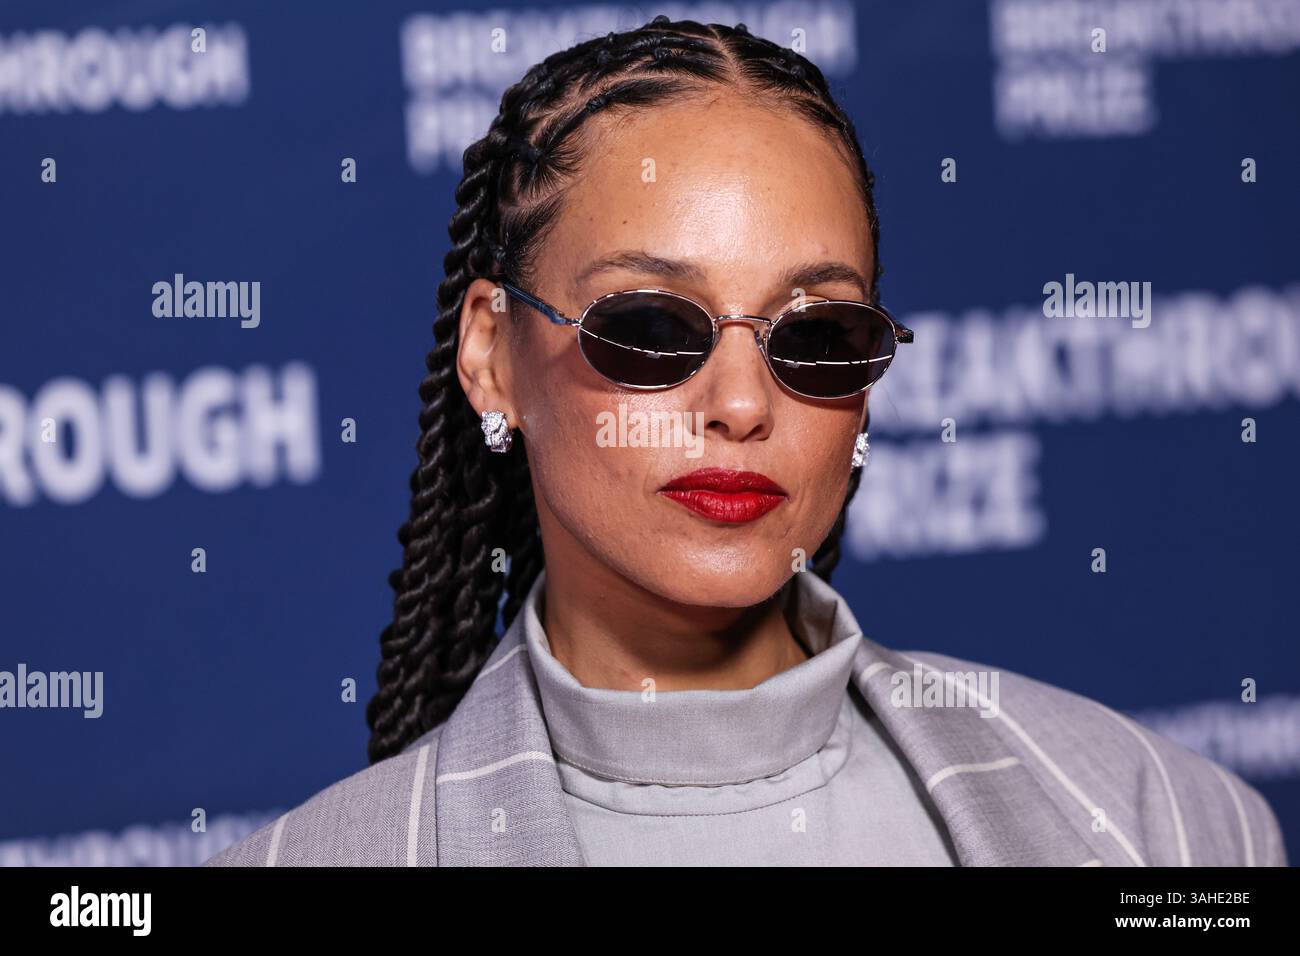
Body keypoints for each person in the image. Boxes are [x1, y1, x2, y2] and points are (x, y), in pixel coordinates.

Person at [206, 15, 1286, 867]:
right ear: (491, 350)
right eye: (647, 327)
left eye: (815, 335)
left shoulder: (1170, 827)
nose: (739, 402)